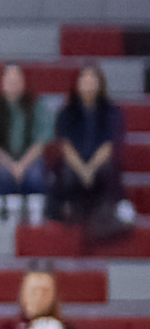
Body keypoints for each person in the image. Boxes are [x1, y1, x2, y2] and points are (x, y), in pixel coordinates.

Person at [49, 61, 130, 234]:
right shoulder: (66, 113)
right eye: (84, 79)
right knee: (65, 167)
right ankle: (70, 207)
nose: (88, 83)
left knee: (109, 165)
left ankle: (106, 210)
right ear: (77, 83)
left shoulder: (112, 112)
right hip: (76, 167)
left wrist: (90, 168)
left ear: (100, 83)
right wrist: (82, 169)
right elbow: (66, 147)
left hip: (99, 167)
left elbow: (109, 146)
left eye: (93, 79)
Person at [0, 62, 53, 223]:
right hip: (2, 161)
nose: (13, 82)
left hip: (28, 161)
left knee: (35, 173)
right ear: (2, 81)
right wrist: (11, 165)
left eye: (17, 78)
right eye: (9, 78)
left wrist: (22, 165)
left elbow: (43, 140)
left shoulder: (36, 106)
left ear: (23, 82)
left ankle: (35, 217)